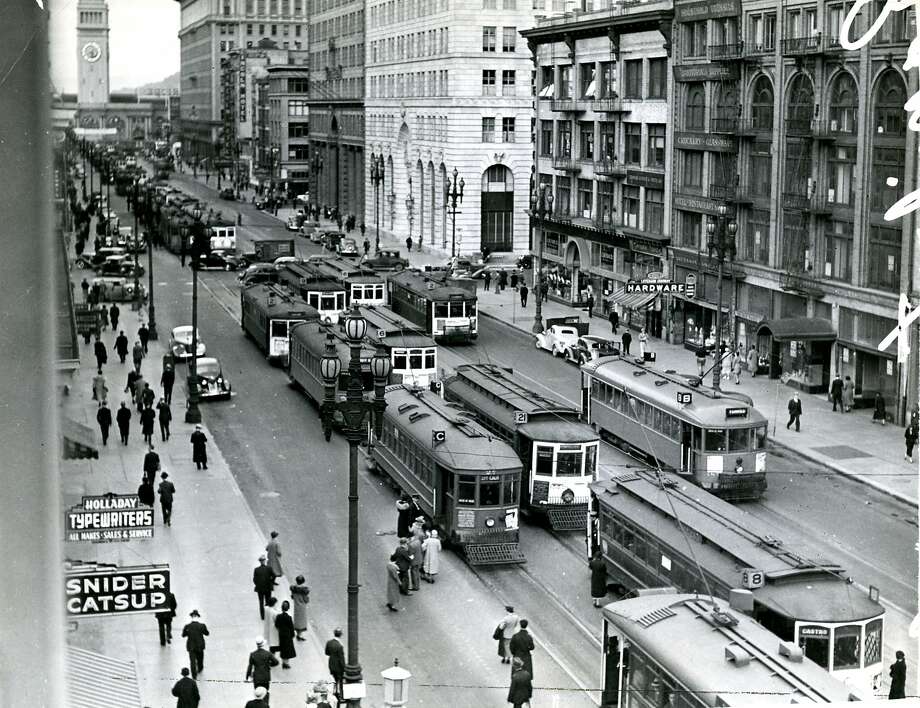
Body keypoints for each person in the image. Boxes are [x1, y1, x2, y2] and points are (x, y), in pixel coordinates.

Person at [182, 610, 209, 679]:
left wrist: (187, 632)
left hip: (191, 646)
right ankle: (200, 668)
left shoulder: (187, 626)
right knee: (200, 659)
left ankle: (194, 675)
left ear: (191, 617)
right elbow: (207, 633)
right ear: (198, 617)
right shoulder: (202, 626)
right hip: (200, 646)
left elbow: (183, 635)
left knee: (192, 661)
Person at [325, 628, 346, 699]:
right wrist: (344, 668)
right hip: (338, 666)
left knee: (335, 678)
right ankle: (339, 693)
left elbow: (326, 653)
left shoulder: (329, 642)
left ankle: (335, 690)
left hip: (331, 664)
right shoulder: (340, 646)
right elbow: (341, 659)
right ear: (340, 635)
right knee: (340, 679)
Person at [275, 600, 296, 668]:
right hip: (287, 635)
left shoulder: (279, 616)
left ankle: (283, 662)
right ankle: (286, 663)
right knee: (288, 649)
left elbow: (276, 625)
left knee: (283, 648)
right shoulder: (289, 617)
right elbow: (291, 627)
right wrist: (292, 635)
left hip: (281, 634)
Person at [253, 554, 274, 620]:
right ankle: (268, 615)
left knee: (261, 602)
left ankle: (262, 616)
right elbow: (273, 576)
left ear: (260, 561)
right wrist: (271, 582)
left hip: (260, 588)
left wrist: (258, 584)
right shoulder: (269, 568)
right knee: (268, 601)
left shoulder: (256, 569)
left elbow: (254, 579)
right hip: (268, 587)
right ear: (264, 561)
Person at [290, 575, 310, 640]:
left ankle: (298, 633)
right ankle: (299, 635)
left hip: (296, 605)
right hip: (302, 606)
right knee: (302, 620)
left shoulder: (293, 589)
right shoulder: (304, 590)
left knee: (297, 619)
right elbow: (306, 600)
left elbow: (292, 596)